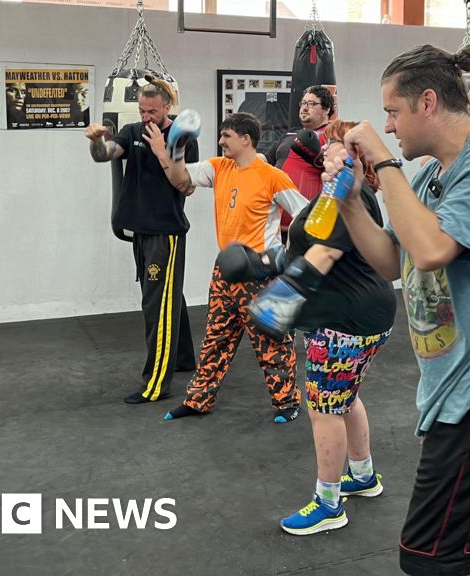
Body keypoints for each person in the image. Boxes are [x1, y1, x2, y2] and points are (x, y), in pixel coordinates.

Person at [327, 44, 470, 576]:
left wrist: (383, 161)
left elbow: (432, 249)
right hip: (454, 386)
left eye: (393, 111)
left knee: (432, 561)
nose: (389, 125)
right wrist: (351, 200)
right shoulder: (429, 174)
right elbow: (394, 260)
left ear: (427, 102)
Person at [226, 120, 396, 535]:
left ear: (356, 157)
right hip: (358, 313)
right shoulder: (332, 193)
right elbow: (305, 245)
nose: (325, 150)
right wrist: (262, 263)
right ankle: (363, 475)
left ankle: (329, 504)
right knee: (345, 398)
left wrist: (278, 300)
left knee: (323, 408)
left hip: (345, 320)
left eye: (335, 144)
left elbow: (325, 254)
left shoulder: (348, 194)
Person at [147, 112, 308, 424]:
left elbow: (305, 217)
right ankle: (198, 400)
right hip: (225, 271)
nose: (220, 141)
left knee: (271, 342)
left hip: (260, 274)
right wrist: (175, 150)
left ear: (246, 139)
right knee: (215, 338)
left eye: (226, 136)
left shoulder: (272, 176)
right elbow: (180, 179)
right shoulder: (219, 168)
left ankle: (287, 402)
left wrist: (286, 259)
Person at [84, 78, 199, 405]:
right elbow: (105, 155)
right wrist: (95, 141)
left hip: (166, 232)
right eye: (142, 111)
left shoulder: (183, 138)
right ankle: (183, 359)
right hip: (141, 229)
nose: (146, 117)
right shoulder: (132, 131)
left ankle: (156, 385)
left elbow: (187, 186)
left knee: (156, 305)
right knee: (166, 297)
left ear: (167, 107)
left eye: (152, 111)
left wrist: (162, 151)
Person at [266, 86, 335, 235]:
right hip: (276, 228)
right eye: (303, 103)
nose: (304, 108)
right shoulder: (288, 136)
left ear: (326, 109)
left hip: (306, 228)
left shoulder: (332, 137)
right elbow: (264, 160)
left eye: (311, 104)